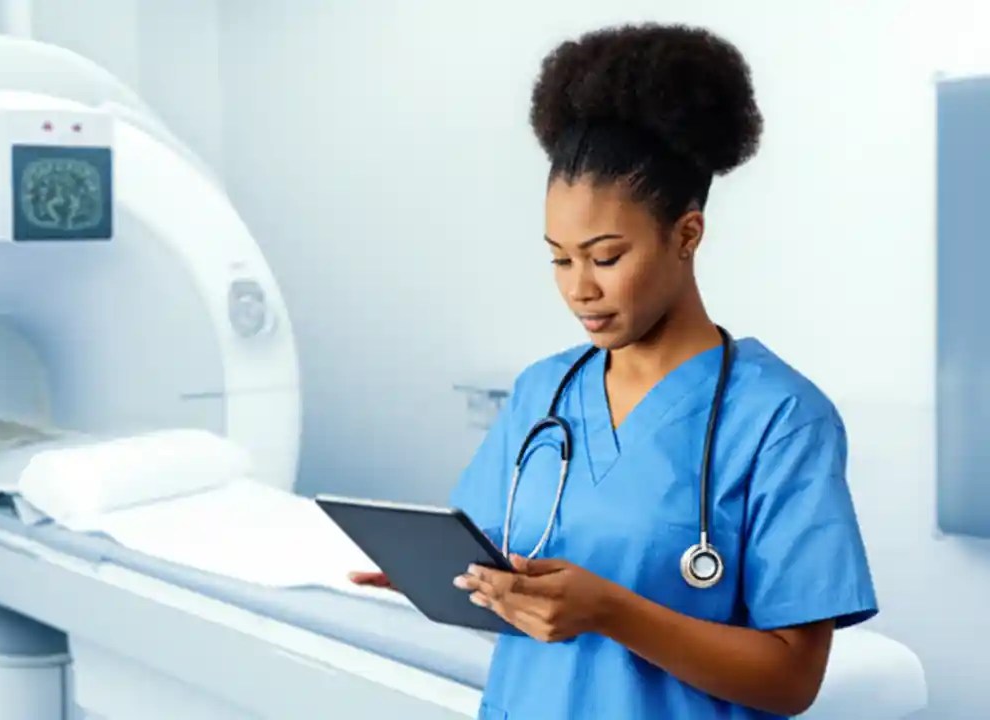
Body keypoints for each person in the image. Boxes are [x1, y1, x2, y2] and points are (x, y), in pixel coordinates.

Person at [350, 21, 877, 719]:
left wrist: (611, 612)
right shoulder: (544, 391)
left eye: (604, 257)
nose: (579, 289)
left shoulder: (779, 419)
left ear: (686, 234)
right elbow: (505, 570)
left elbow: (791, 680)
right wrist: (445, 577)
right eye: (560, 259)